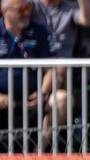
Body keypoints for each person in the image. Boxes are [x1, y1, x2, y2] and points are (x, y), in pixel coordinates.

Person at [0, 0, 69, 150]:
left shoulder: (39, 31)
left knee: (63, 99)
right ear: (5, 11)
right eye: (21, 9)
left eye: (29, 7)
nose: (27, 13)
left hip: (34, 98)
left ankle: (37, 153)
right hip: (3, 100)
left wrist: (43, 93)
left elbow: (52, 68)